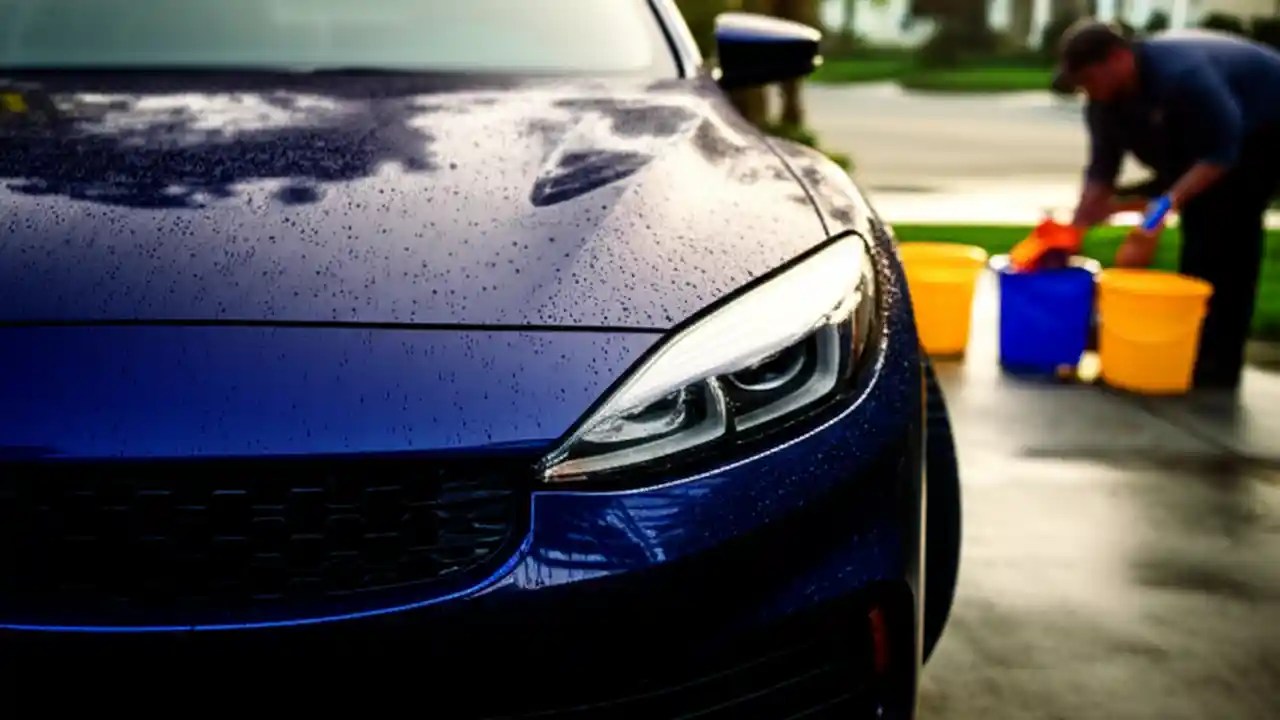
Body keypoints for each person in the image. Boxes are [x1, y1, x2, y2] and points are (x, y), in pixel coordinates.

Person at [1054, 19, 1280, 390]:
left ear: (1119, 59)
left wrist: (1153, 220)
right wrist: (1073, 232)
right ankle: (1193, 350)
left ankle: (1216, 365)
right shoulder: (1103, 101)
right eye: (1080, 84)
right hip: (1199, 143)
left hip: (1262, 131)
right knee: (1199, 226)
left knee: (1221, 234)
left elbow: (1220, 154)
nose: (1088, 91)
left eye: (1090, 79)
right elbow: (1101, 172)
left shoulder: (1182, 77)